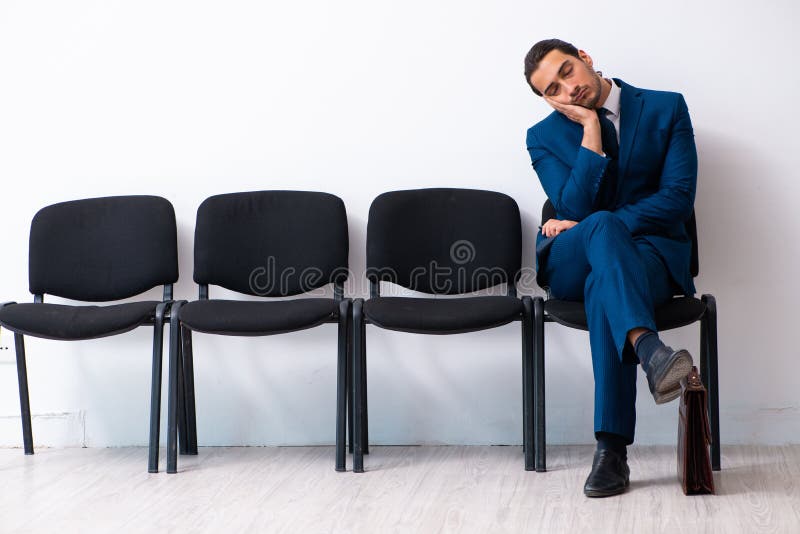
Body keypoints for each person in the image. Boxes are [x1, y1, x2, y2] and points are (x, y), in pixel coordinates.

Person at [523, 38, 698, 497]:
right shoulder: (541, 137)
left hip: (651, 257)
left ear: (585, 57)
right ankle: (650, 352)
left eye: (566, 71)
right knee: (599, 239)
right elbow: (571, 206)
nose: (567, 88)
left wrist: (603, 225)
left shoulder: (666, 108)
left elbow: (678, 197)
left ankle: (611, 450)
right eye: (552, 90)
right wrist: (590, 132)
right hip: (570, 261)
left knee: (608, 279)